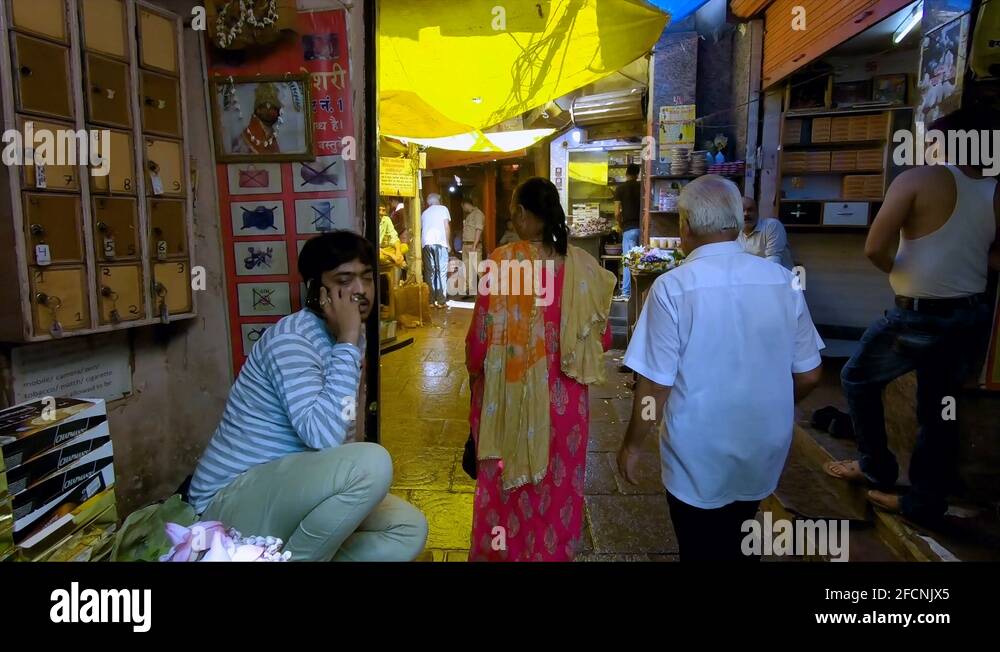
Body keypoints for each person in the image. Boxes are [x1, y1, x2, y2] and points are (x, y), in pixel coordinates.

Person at [617, 175, 824, 561]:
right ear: (737, 220)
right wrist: (773, 404)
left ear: (686, 225)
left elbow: (654, 388)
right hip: (765, 444)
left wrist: (632, 445)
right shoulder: (783, 281)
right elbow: (810, 374)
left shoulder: (671, 287)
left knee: (699, 547)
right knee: (744, 540)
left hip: (697, 451)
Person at [188, 231, 428, 561]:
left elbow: (344, 430)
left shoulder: (350, 339)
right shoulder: (292, 340)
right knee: (372, 463)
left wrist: (348, 341)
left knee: (408, 528)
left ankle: (287, 555)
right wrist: (347, 340)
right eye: (344, 280)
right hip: (227, 502)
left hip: (286, 491)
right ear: (317, 291)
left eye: (367, 279)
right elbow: (325, 438)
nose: (360, 290)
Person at [826, 117, 999, 524]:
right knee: (940, 409)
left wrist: (899, 273)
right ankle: (924, 501)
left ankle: (876, 468)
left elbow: (875, 247)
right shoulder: (994, 192)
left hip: (918, 315)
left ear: (940, 142)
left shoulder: (917, 180)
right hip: (970, 317)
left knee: (857, 378)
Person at [467, 177, 615, 561]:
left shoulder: (500, 262)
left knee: (506, 491)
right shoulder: (583, 266)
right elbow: (603, 340)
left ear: (519, 213)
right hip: (564, 407)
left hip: (507, 401)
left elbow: (478, 343)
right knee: (557, 490)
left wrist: (475, 380)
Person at [738, 197, 794, 269]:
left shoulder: (772, 226)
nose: (746, 214)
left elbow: (773, 263)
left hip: (780, 276)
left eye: (750, 210)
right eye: (742, 211)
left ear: (758, 212)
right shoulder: (735, 233)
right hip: (755, 275)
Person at [614, 163, 643, 300]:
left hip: (629, 229)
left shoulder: (620, 189)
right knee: (640, 261)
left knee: (628, 261)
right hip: (642, 230)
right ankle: (639, 292)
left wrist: (619, 225)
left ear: (626, 173)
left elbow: (616, 212)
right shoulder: (642, 187)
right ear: (637, 174)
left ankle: (626, 292)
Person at [232, 83, 282, 155]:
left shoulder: (271, 136)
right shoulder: (244, 140)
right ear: (258, 109)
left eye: (275, 108)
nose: (273, 112)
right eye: (268, 107)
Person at [421, 193, 451, 308]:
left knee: (430, 272)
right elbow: (446, 226)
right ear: (438, 200)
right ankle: (441, 302)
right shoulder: (443, 209)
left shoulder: (424, 213)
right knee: (441, 271)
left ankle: (430, 301)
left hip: (427, 244)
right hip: (440, 243)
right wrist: (448, 243)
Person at [461, 198, 486, 297]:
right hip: (466, 245)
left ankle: (486, 289)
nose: (463, 209)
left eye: (463, 207)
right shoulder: (469, 215)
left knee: (477, 267)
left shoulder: (478, 214)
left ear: (466, 204)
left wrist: (475, 245)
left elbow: (479, 229)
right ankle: (470, 290)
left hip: (473, 245)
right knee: (466, 268)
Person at [378, 203, 407, 269]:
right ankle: (397, 261)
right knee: (380, 256)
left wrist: (398, 252)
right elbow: (374, 246)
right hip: (376, 250)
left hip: (384, 250)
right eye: (379, 210)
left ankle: (395, 260)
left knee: (405, 247)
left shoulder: (386, 219)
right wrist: (392, 255)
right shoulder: (371, 220)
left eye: (383, 210)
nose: (381, 213)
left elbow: (394, 237)